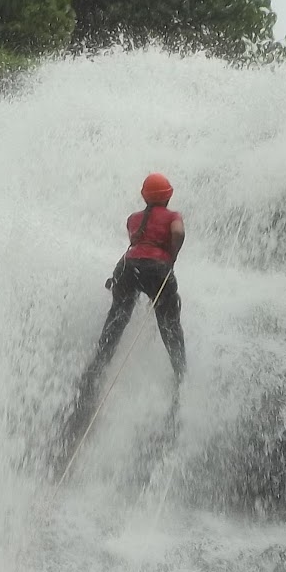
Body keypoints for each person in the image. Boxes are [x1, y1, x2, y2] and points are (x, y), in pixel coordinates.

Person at [65, 173, 187, 456]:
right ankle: (181, 373)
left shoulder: (133, 218)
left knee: (117, 320)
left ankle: (99, 364)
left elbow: (137, 245)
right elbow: (177, 234)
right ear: (168, 197)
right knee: (169, 324)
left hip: (127, 269)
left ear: (144, 197)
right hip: (158, 269)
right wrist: (173, 256)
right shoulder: (173, 216)